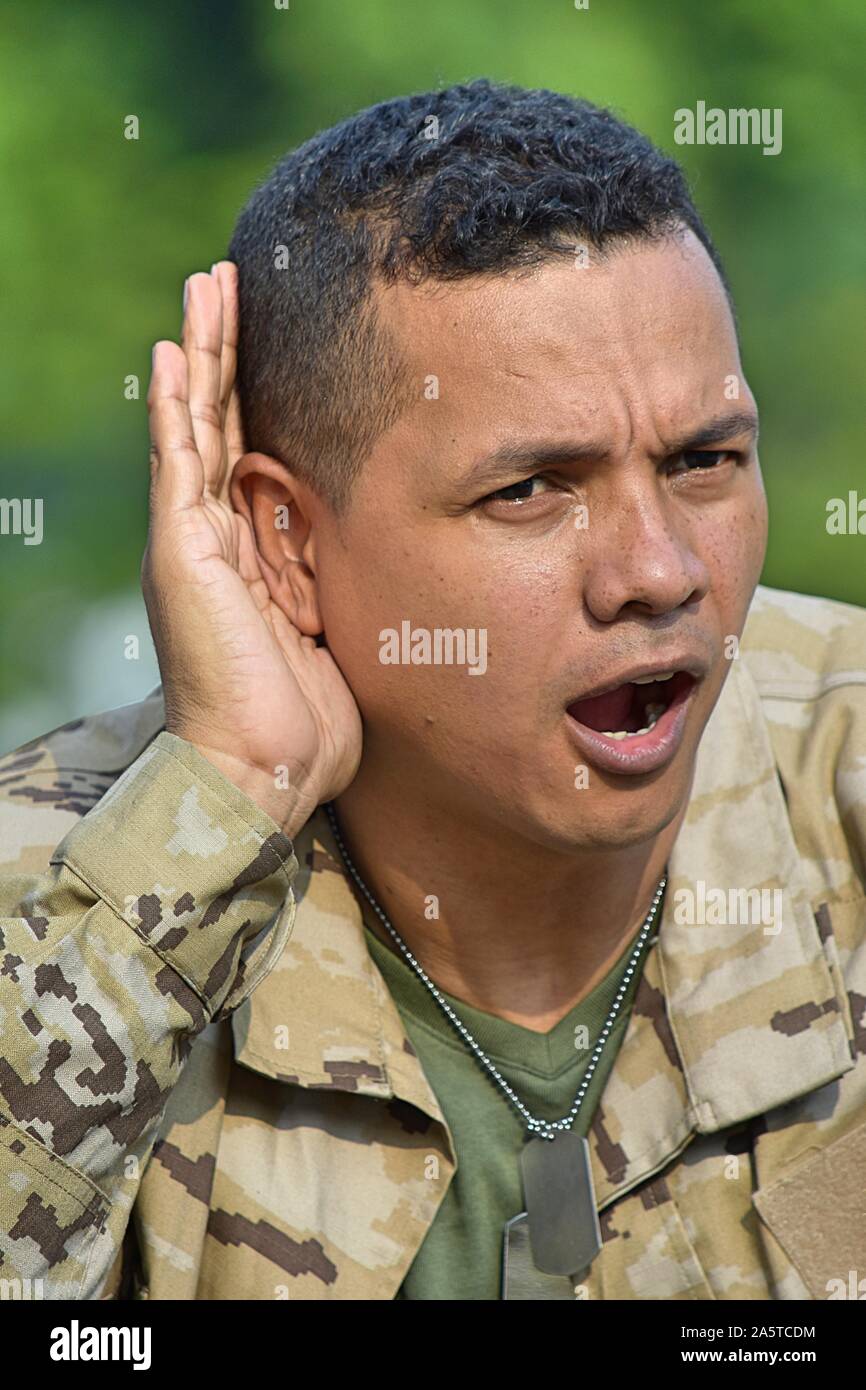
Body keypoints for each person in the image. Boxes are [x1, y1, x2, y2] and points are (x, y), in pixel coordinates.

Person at [1, 78, 865, 1302]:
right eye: (529, 490)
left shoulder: (844, 769)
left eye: (703, 461)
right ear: (286, 542)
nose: (659, 572)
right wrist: (234, 794)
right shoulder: (67, 877)